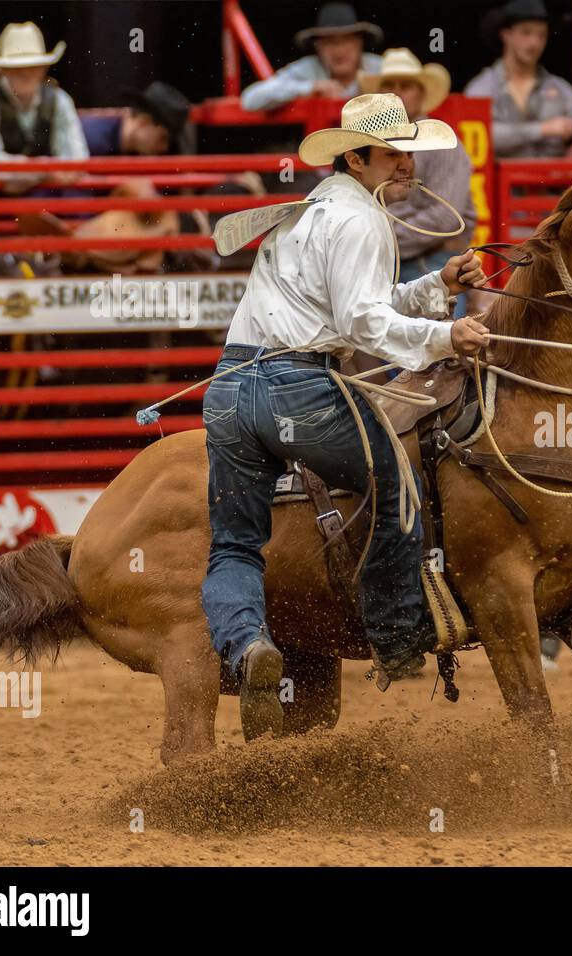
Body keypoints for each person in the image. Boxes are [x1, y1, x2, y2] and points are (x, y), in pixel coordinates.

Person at [201, 93, 490, 737]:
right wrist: (446, 338)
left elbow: (357, 304)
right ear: (356, 157)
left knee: (234, 546)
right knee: (398, 487)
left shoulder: (310, 211)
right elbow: (361, 323)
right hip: (296, 388)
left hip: (231, 386)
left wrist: (437, 287)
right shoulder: (362, 221)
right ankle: (395, 634)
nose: (406, 162)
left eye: (406, 150)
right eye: (392, 152)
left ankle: (249, 647)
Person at [360, 49, 477, 291]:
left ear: (421, 94)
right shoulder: (365, 142)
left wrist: (381, 239)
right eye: (389, 85)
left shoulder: (443, 143)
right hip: (379, 257)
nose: (396, 92)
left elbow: (446, 217)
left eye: (406, 86)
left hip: (430, 262)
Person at [465, 0, 572, 159]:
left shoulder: (559, 88)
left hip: (552, 182)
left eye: (541, 35)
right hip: (500, 181)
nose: (534, 43)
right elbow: (480, 133)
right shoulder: (482, 88)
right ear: (506, 35)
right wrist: (542, 129)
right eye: (526, 33)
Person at [0, 21, 88, 192]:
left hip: (43, 195)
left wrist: (26, 174)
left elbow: (76, 159)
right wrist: (44, 170)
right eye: (17, 68)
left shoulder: (59, 99)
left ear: (44, 69)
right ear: (3, 70)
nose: (26, 74)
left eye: (33, 67)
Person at [241, 2, 383, 112]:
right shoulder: (309, 69)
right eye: (330, 42)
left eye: (346, 40)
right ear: (318, 46)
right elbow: (250, 99)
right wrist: (310, 88)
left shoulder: (380, 67)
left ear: (360, 43)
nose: (339, 51)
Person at [82, 81, 192, 157]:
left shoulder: (119, 146)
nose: (165, 148)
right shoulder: (90, 139)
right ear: (144, 121)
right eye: (163, 138)